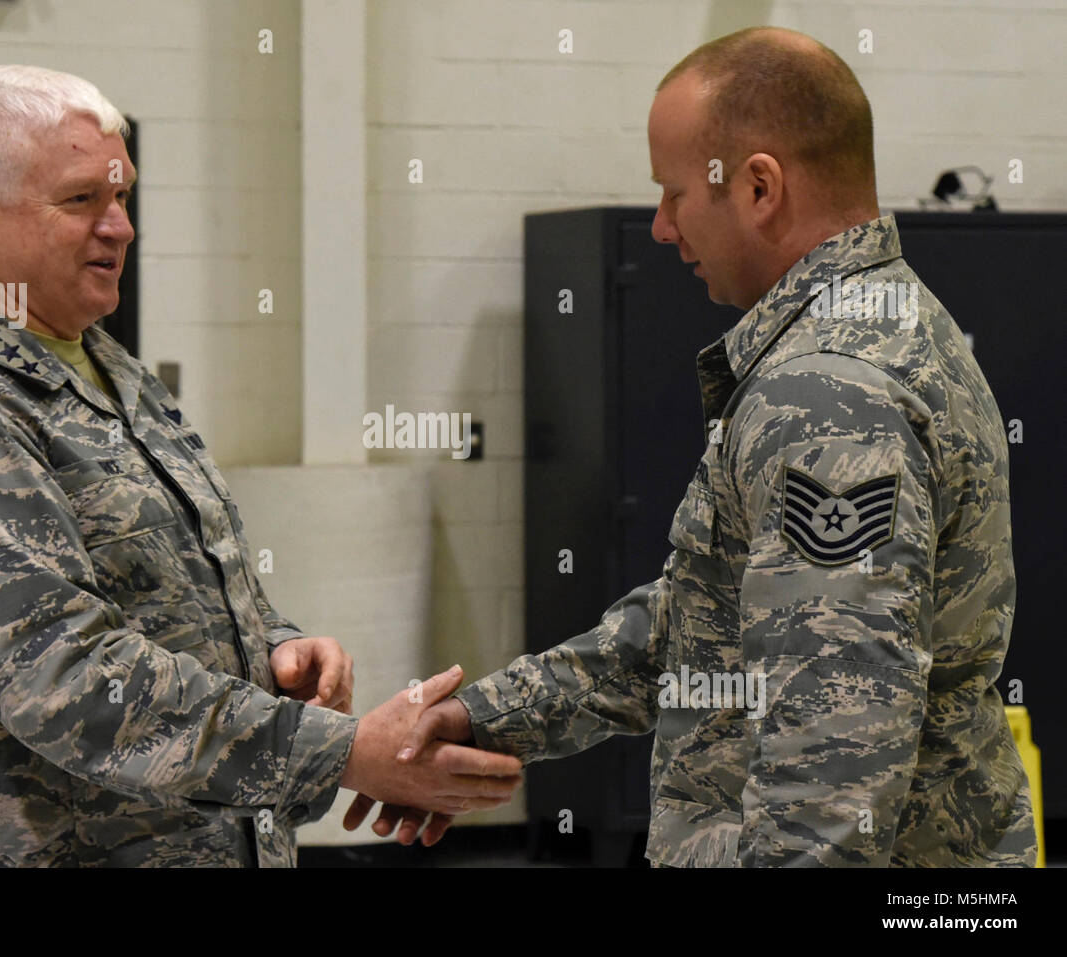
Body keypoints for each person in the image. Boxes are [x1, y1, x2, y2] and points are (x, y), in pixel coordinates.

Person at [350, 26, 1037, 866]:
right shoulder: (884, 328)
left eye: (674, 194)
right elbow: (695, 623)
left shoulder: (825, 393)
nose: (662, 227)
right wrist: (488, 717)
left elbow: (834, 773)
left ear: (758, 187)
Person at [0, 64, 520, 867]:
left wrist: (278, 648)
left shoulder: (117, 373)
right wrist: (342, 751)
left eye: (122, 194)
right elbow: (66, 676)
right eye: (82, 199)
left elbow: (185, 588)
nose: (121, 226)